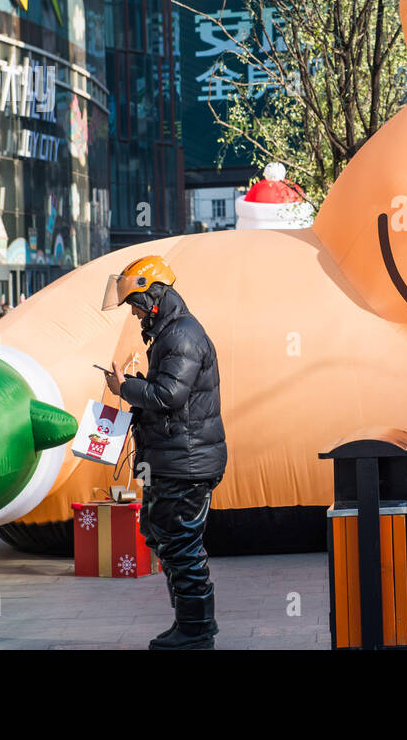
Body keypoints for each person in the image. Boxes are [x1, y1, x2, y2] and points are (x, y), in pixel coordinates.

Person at [101, 255, 225, 650]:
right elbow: (170, 395)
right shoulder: (170, 334)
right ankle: (189, 625)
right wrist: (137, 387)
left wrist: (126, 389)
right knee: (161, 535)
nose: (134, 312)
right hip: (173, 459)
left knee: (181, 544)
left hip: (184, 463)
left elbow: (171, 395)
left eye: (135, 303)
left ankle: (196, 630)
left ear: (154, 295)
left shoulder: (182, 335)